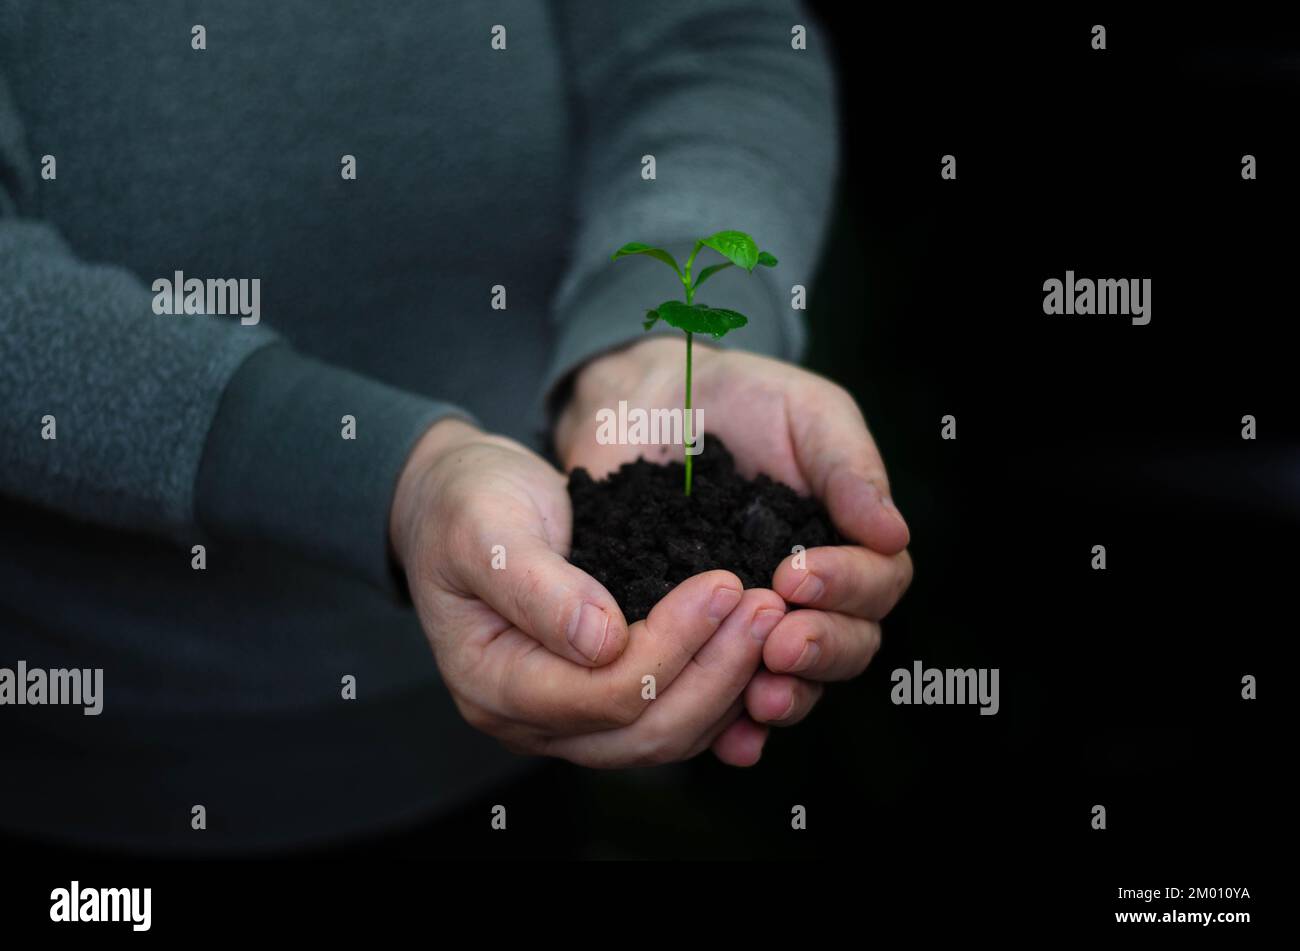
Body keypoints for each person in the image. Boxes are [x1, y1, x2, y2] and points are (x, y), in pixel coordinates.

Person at [0, 0, 911, 852]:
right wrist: (385, 476)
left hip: (508, 765)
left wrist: (653, 336)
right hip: (91, 781)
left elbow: (709, 33)